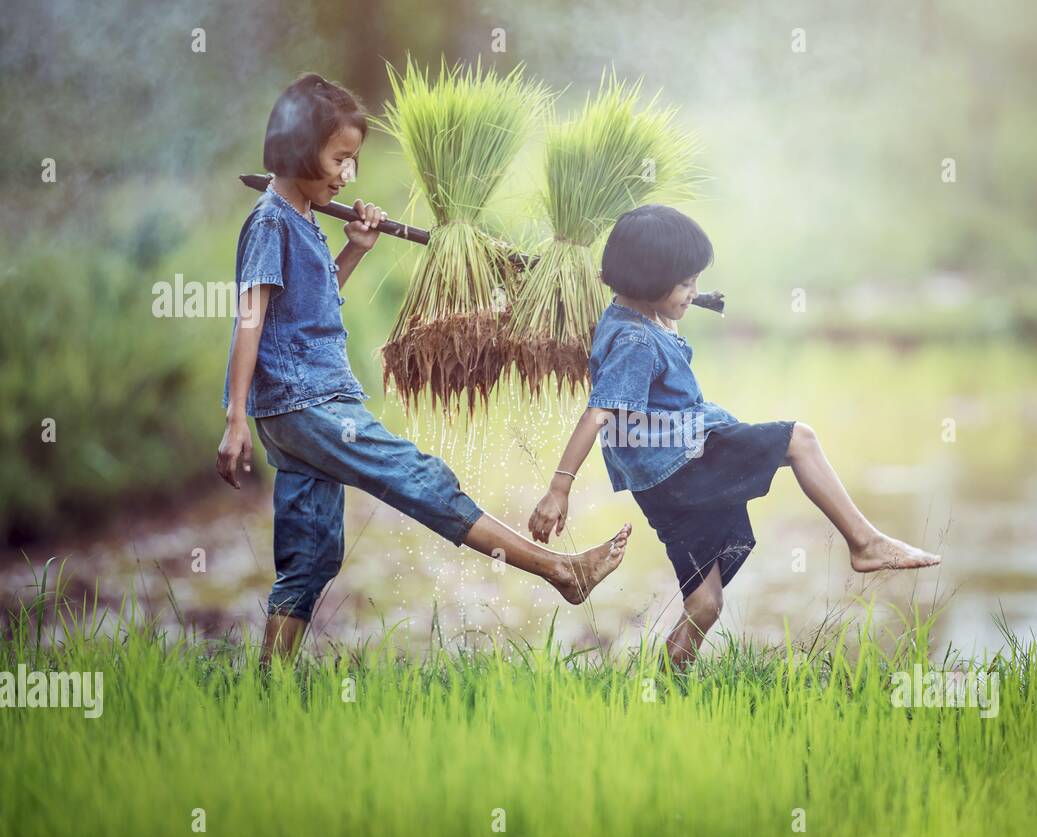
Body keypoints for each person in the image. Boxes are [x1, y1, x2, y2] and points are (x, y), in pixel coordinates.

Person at [217, 73, 630, 665]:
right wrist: (235, 417)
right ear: (299, 148)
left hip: (312, 404)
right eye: (340, 159)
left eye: (353, 161)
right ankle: (559, 570)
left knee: (311, 554)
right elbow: (250, 320)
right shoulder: (270, 222)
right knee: (418, 477)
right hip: (305, 405)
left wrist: (356, 247)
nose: (346, 176)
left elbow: (306, 306)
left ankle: (267, 686)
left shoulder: (303, 217)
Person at [529, 204, 938, 669]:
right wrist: (559, 488)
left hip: (662, 486)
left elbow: (651, 316)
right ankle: (865, 543)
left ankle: (666, 687)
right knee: (799, 439)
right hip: (684, 462)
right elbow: (600, 411)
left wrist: (677, 302)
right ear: (649, 284)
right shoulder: (634, 342)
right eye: (687, 284)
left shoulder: (632, 316)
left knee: (705, 604)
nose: (694, 292)